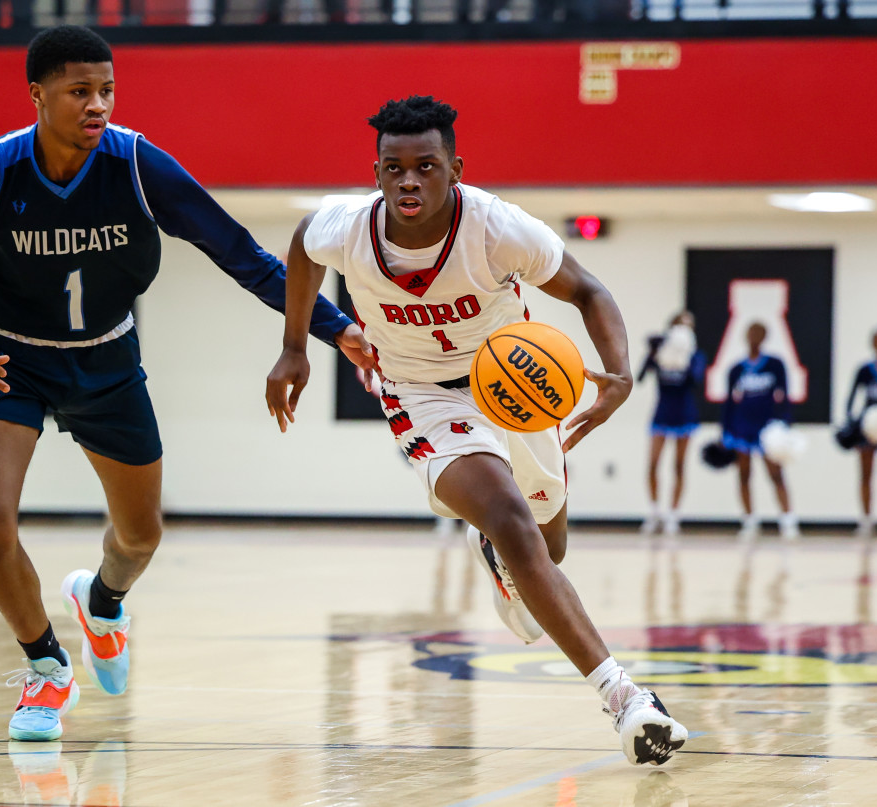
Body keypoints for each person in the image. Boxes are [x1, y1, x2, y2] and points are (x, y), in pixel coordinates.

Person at [0, 25, 368, 743]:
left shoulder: (141, 167)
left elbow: (242, 255)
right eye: (80, 91)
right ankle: (46, 667)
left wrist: (336, 329)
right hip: (7, 358)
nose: (98, 105)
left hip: (106, 359)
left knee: (141, 535)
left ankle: (103, 602)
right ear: (37, 95)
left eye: (107, 90)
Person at [265, 95, 687, 766]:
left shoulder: (496, 228)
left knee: (549, 545)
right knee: (511, 518)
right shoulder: (347, 229)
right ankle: (626, 700)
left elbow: (589, 290)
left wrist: (621, 373)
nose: (408, 181)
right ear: (376, 173)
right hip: (420, 395)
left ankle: (496, 551)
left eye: (425, 166)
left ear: (455, 169)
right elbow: (300, 244)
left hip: (517, 381)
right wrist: (295, 345)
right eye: (393, 168)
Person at [722, 322, 797, 541]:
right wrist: (725, 430)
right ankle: (749, 521)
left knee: (776, 474)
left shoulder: (775, 365)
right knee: (744, 475)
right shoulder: (736, 369)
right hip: (742, 427)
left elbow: (784, 397)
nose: (754, 337)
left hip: (767, 428)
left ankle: (788, 521)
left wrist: (784, 424)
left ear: (765, 337)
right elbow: (729, 402)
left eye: (758, 333)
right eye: (751, 332)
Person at [636, 312, 705, 536]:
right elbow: (640, 377)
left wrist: (683, 359)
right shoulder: (660, 352)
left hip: (685, 414)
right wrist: (653, 352)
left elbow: (696, 380)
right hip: (662, 413)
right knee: (653, 463)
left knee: (679, 465)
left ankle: (673, 515)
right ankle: (654, 511)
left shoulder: (696, 355)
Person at [844, 327, 877, 538]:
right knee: (866, 473)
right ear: (873, 344)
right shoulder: (865, 370)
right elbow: (851, 399)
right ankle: (866, 519)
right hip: (869, 426)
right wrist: (853, 425)